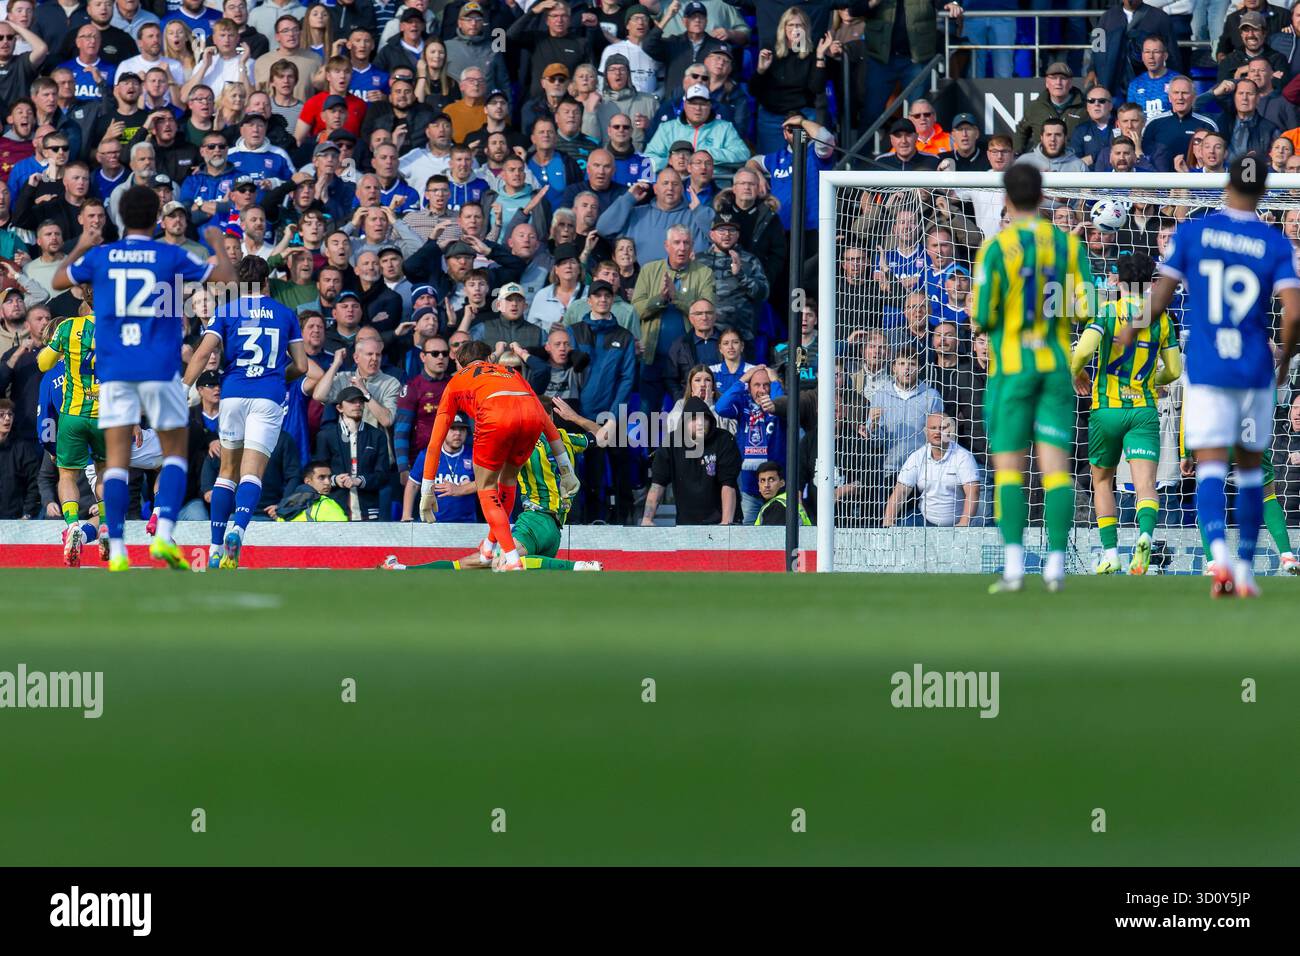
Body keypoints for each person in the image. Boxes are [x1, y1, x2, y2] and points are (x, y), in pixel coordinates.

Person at [1139, 157, 1300, 597]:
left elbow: (1157, 302)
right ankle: (1246, 568)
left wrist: (1127, 333)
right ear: (1265, 189)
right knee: (1252, 473)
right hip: (1254, 369)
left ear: (1226, 184)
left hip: (1208, 369)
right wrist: (1283, 363)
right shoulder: (1274, 243)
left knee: (1208, 467)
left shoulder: (1192, 233)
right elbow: (1296, 311)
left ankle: (1219, 558)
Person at [53, 184, 235, 571]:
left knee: (116, 463)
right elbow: (227, 278)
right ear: (157, 219)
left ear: (119, 218)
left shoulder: (101, 256)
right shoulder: (169, 254)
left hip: (116, 373)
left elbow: (57, 280)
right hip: (159, 368)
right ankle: (164, 530)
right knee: (174, 454)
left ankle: (116, 549)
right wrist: (217, 241)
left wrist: (83, 242)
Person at [972, 163, 1092, 594]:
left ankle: (1014, 568)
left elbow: (983, 316)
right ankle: (1057, 567)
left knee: (1009, 471)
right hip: (1055, 366)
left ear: (1006, 198)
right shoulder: (1068, 246)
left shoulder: (995, 248)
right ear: (1044, 197)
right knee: (1056, 471)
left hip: (1011, 369)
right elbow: (1083, 308)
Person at [182, 255, 307, 570]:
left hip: (234, 394)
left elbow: (203, 353)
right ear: (267, 282)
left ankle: (213, 548)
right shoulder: (286, 313)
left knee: (227, 473)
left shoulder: (226, 311)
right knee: (252, 474)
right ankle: (237, 529)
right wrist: (278, 377)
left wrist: (185, 386)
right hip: (268, 397)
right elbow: (303, 366)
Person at [417, 339, 579, 572]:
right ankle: (488, 548)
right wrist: (566, 470)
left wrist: (427, 489)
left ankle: (512, 560)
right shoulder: (511, 372)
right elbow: (545, 421)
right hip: (531, 420)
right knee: (508, 479)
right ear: (490, 359)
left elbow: (435, 442)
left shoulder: (457, 380)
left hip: (495, 418)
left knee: (486, 487)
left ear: (460, 364)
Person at [1071, 251, 1182, 575]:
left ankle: (1110, 554)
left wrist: (1077, 372)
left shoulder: (1107, 312)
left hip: (1106, 409)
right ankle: (1145, 536)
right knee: (1146, 484)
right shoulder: (1160, 318)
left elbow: (1083, 351)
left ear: (1118, 280)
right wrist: (1150, 380)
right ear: (1150, 283)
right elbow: (1173, 370)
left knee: (1103, 482)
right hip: (1143, 409)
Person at [35, 298, 107, 566]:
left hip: (72, 419)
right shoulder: (117, 328)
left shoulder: (66, 332)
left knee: (66, 475)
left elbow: (45, 419)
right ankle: (104, 529)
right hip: (105, 417)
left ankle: (74, 526)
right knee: (106, 475)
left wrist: (52, 450)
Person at [641, 394, 740, 525]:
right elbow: (658, 484)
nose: (700, 423)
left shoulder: (724, 439)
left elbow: (728, 485)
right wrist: (647, 518)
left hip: (722, 519)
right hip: (687, 523)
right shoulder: (672, 441)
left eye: (704, 419)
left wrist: (726, 524)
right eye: (694, 419)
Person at [882, 413, 980, 528]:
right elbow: (901, 491)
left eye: (943, 428)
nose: (938, 432)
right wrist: (888, 521)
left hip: (957, 522)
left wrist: (963, 524)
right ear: (926, 432)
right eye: (933, 428)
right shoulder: (917, 457)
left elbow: (973, 492)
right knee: (902, 530)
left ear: (951, 431)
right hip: (923, 519)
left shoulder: (963, 456)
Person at [402, 411, 475, 522]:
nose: (458, 433)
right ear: (443, 430)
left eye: (462, 429)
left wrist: (462, 489)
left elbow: (487, 483)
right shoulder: (428, 454)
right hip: (433, 522)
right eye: (453, 428)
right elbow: (413, 485)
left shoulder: (475, 455)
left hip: (466, 522)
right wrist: (406, 515)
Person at [753, 460, 809, 527]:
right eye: (762, 480)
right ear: (759, 486)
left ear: (782, 483)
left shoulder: (776, 507)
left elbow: (772, 536)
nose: (766, 485)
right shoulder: (788, 500)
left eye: (771, 480)